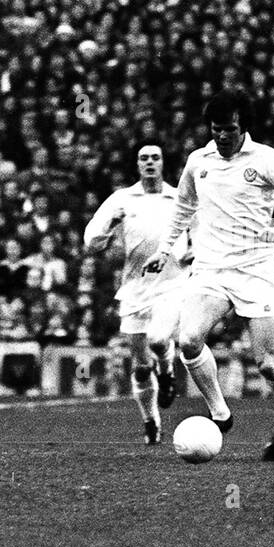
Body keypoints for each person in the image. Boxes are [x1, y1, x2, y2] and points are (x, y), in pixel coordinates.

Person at [144, 88, 274, 461]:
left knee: (268, 365)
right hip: (210, 268)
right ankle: (220, 413)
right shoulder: (198, 161)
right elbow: (183, 207)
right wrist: (163, 250)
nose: (223, 135)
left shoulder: (267, 159)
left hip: (256, 270)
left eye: (230, 129)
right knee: (188, 340)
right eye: (216, 129)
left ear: (243, 128)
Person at [83, 145, 188, 446]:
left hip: (173, 283)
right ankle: (151, 421)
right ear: (138, 164)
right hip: (135, 288)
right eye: (144, 158)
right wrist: (110, 226)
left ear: (163, 163)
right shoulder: (122, 199)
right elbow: (91, 243)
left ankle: (167, 370)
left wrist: (193, 255)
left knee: (158, 340)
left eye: (155, 157)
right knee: (141, 367)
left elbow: (199, 233)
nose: (150, 162)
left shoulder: (179, 196)